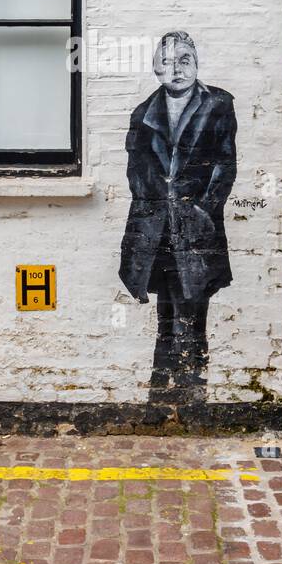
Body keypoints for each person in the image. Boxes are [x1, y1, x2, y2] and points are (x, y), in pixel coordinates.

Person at [119, 31, 237, 404]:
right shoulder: (143, 115)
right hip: (156, 230)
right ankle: (161, 386)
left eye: (185, 59)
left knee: (193, 307)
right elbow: (135, 170)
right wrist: (152, 205)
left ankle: (192, 389)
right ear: (156, 68)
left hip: (197, 230)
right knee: (167, 309)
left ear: (196, 64)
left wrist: (203, 208)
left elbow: (225, 163)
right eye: (168, 61)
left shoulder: (218, 104)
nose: (177, 68)